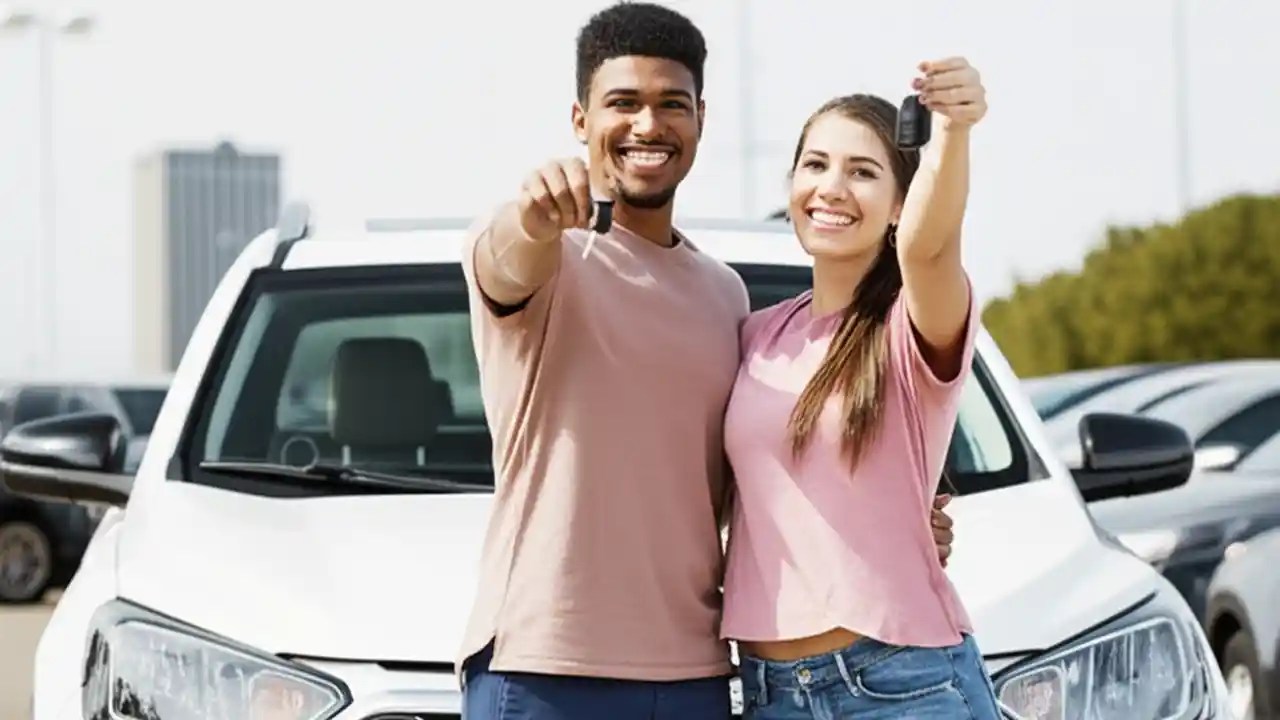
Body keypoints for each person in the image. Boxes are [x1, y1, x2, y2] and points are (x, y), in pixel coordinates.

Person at [456, 3, 957, 718]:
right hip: (549, 665)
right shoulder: (548, 256)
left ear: (699, 119)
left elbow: (762, 468)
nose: (647, 125)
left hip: (699, 672)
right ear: (579, 121)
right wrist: (531, 216)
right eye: (622, 103)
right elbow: (503, 262)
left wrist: (898, 522)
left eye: (671, 104)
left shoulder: (727, 299)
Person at [721, 61, 1002, 718]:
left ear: (901, 203)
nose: (832, 188)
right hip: (772, 692)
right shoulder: (755, 335)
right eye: (814, 165)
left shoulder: (911, 325)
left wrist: (953, 133)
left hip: (901, 684)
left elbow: (931, 250)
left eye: (864, 171)